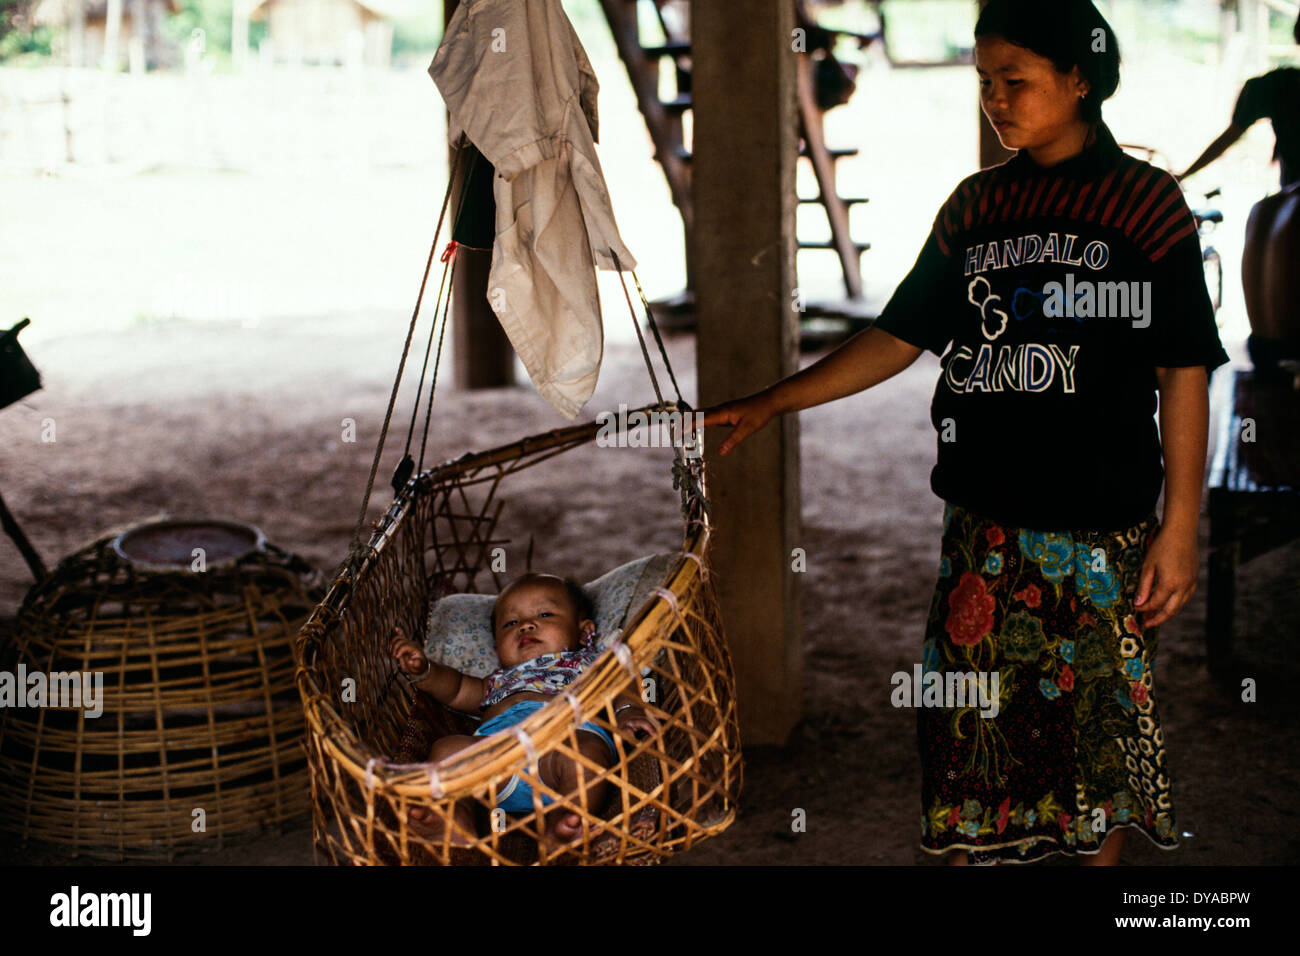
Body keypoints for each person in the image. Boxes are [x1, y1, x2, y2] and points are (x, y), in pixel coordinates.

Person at [701, 0, 1228, 865]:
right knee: (968, 727)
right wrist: (774, 400)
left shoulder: (1146, 207)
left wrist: (1181, 527)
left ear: (1081, 79)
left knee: (1092, 739)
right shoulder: (976, 208)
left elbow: (1184, 371)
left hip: (1103, 530)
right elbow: (898, 336)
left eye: (1015, 81)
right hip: (982, 529)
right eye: (986, 81)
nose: (996, 99)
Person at [389, 573, 657, 845]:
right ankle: (454, 816)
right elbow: (456, 689)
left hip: (563, 748)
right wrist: (425, 671)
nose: (527, 625)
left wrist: (628, 711)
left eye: (545, 615)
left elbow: (623, 682)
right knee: (447, 748)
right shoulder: (498, 679)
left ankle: (566, 816)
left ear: (584, 631)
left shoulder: (588, 663)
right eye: (511, 623)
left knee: (586, 755)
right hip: (495, 761)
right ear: (496, 647)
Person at [1179, 10, 1300, 187]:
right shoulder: (1275, 86)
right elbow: (1229, 137)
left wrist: (1183, 176)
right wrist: (1183, 175)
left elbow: (1229, 136)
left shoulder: (1275, 85)